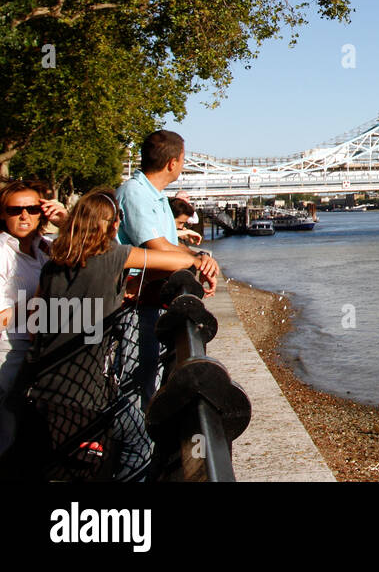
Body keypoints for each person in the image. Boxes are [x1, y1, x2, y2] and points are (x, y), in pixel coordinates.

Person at [22, 188, 219, 480]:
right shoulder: (113, 256)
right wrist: (201, 258)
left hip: (40, 390)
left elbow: (32, 326)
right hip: (84, 395)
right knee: (120, 449)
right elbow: (173, 261)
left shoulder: (52, 266)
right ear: (114, 225)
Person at [116, 131, 218, 405]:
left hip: (154, 302)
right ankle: (135, 446)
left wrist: (199, 256)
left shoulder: (157, 197)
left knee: (155, 379)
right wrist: (196, 261)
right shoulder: (135, 194)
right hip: (135, 304)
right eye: (184, 159)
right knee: (136, 386)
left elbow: (169, 245)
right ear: (172, 163)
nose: (184, 165)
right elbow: (156, 248)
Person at [0, 179, 66, 456]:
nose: (24, 215)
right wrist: (43, 302)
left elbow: (102, 252)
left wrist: (66, 221)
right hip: (7, 354)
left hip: (39, 352)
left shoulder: (47, 249)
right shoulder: (2, 252)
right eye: (15, 210)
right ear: (2, 214)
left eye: (32, 208)